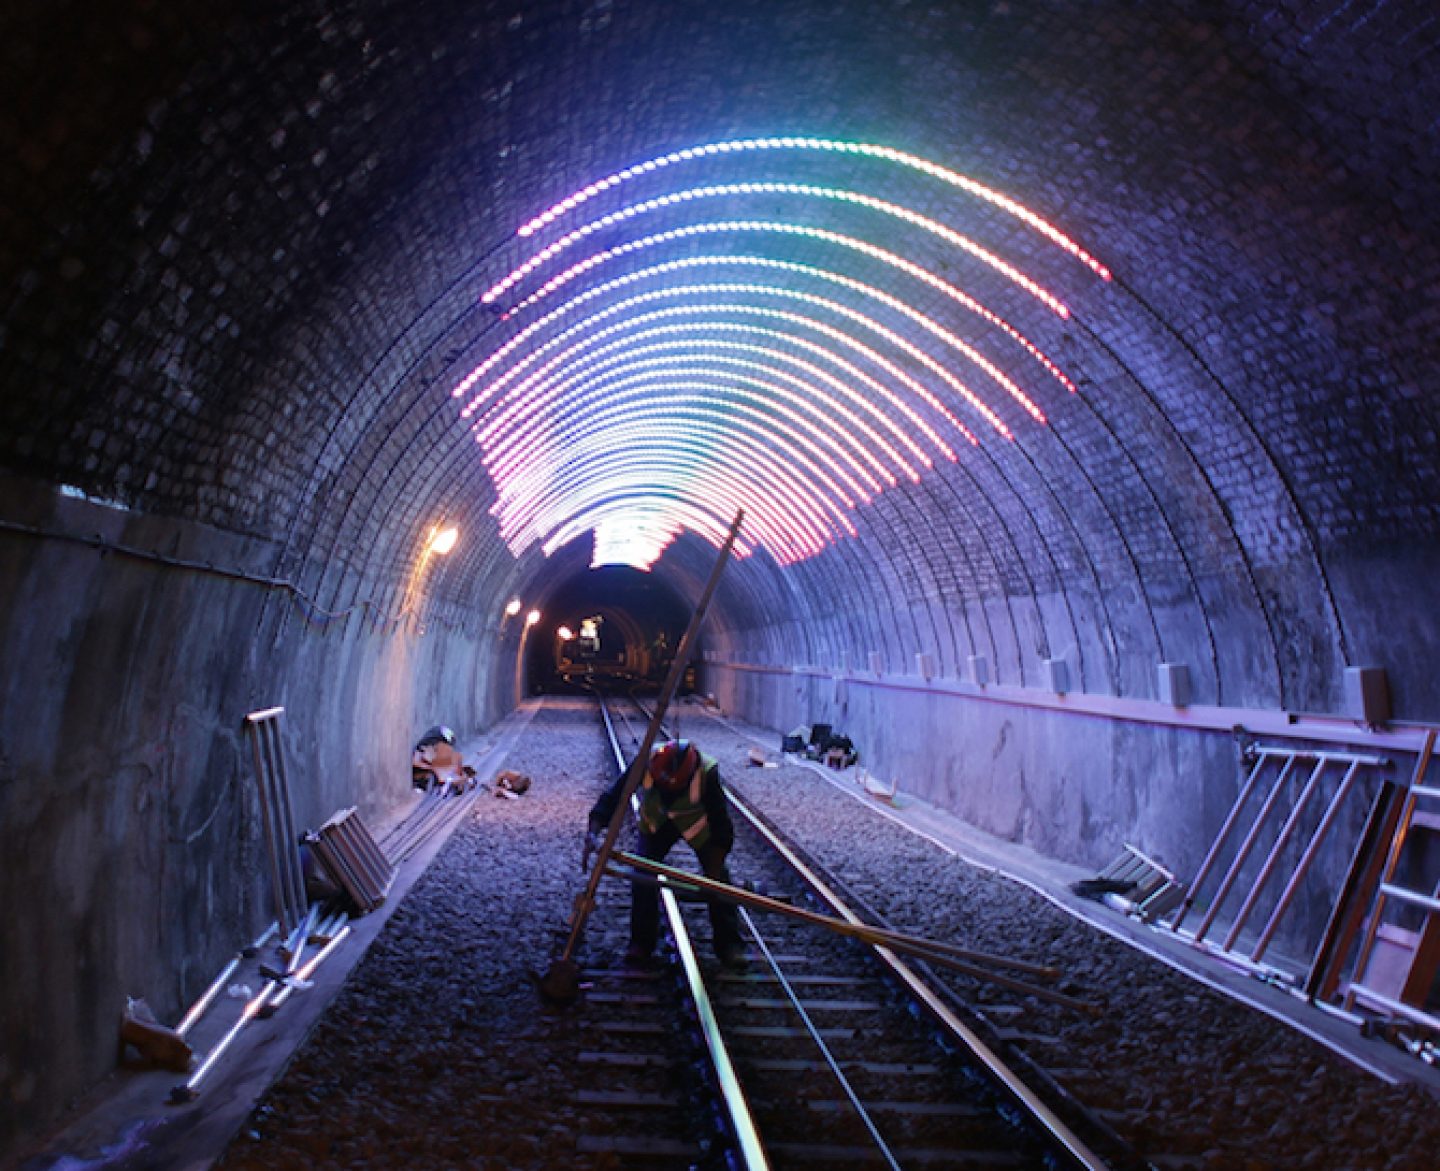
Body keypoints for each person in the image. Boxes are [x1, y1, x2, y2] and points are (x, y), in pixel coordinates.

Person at [583, 738, 746, 968]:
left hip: (696, 825)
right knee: (642, 875)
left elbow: (721, 825)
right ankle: (641, 943)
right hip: (655, 824)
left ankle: (730, 945)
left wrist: (714, 867)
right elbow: (614, 797)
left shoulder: (707, 772)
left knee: (719, 882)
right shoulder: (646, 762)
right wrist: (594, 829)